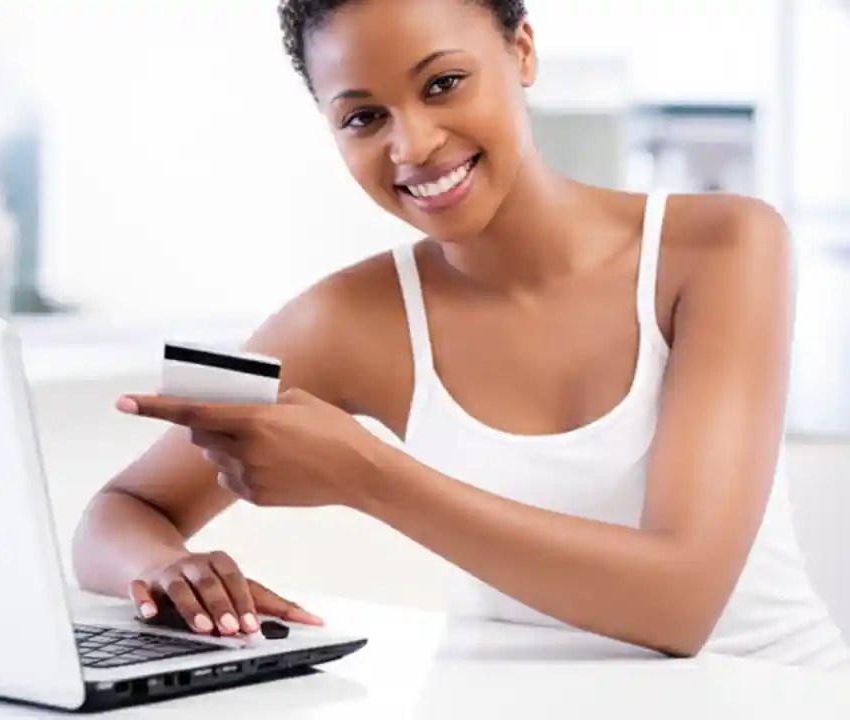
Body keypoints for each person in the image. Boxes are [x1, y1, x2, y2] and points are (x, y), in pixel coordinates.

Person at [71, 0, 850, 668]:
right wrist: (171, 570)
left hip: (771, 690)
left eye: (443, 83)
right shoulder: (339, 318)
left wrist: (367, 475)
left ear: (521, 52)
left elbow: (681, 606)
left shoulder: (722, 246)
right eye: (363, 117)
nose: (412, 146)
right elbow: (118, 511)